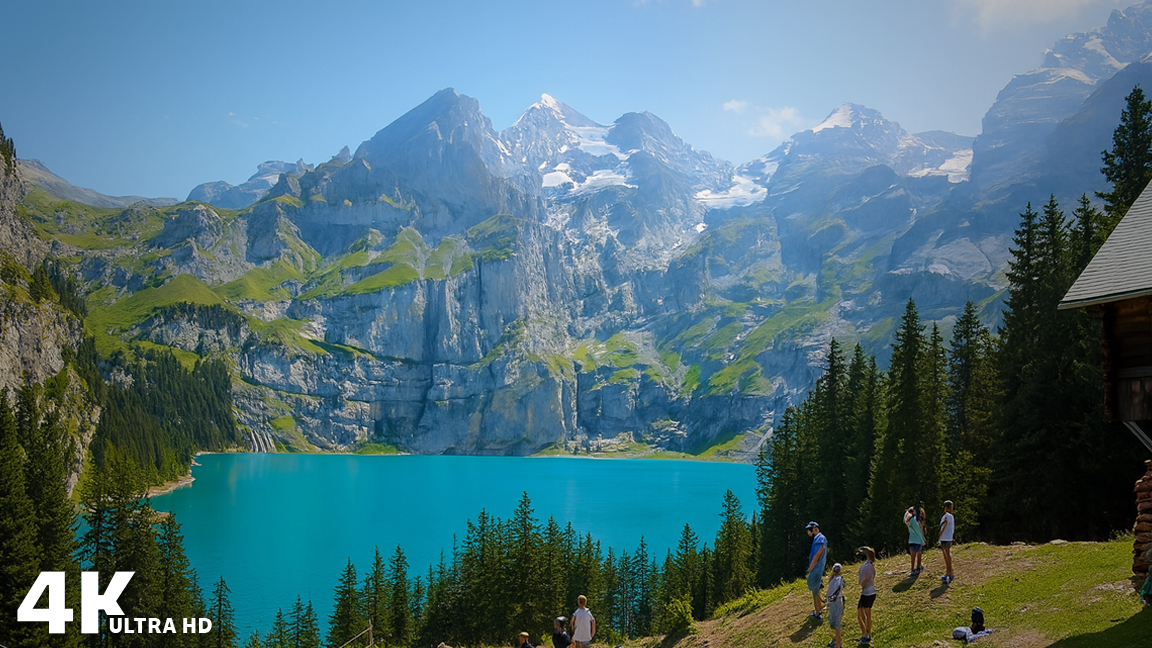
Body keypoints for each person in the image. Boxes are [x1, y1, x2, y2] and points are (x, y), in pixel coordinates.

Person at [806, 521, 828, 620]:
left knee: (814, 590)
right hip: (817, 567)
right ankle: (820, 607)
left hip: (816, 567)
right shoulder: (818, 538)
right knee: (815, 589)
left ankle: (818, 613)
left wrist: (811, 566)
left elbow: (819, 553)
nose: (808, 532)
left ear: (814, 529)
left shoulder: (819, 538)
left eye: (809, 530)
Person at [856, 546, 876, 645]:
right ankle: (866, 632)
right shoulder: (870, 565)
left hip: (868, 593)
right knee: (862, 613)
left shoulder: (868, 566)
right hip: (868, 592)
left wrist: (863, 582)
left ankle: (866, 634)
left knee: (864, 614)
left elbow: (865, 579)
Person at [826, 563, 845, 648]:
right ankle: (837, 644)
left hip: (831, 602)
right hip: (838, 601)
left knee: (836, 624)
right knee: (838, 624)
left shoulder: (831, 579)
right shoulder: (840, 579)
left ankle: (837, 643)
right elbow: (843, 586)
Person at [904, 505, 925, 575]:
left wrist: (908, 512)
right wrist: (923, 540)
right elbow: (921, 532)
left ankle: (912, 569)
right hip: (919, 540)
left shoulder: (911, 520)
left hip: (912, 540)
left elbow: (906, 522)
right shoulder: (920, 522)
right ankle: (919, 567)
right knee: (919, 555)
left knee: (913, 556)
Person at [938, 500, 956, 583]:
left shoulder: (946, 516)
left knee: (946, 555)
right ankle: (950, 572)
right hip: (949, 537)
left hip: (944, 538)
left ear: (945, 508)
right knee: (948, 555)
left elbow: (945, 524)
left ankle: (948, 573)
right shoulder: (951, 516)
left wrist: (939, 535)